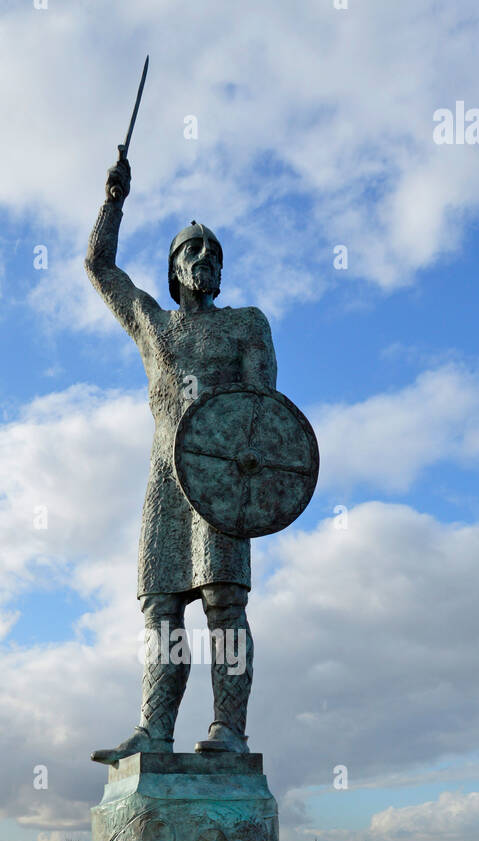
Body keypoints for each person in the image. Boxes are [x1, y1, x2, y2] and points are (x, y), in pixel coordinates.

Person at [85, 154, 277, 763]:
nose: (204, 262)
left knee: (225, 605)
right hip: (166, 482)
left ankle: (229, 729)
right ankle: (154, 729)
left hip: (223, 481)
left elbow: (264, 415)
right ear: (172, 268)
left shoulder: (246, 324)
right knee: (161, 610)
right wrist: (114, 198)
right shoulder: (153, 325)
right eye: (192, 252)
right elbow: (98, 265)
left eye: (214, 254)